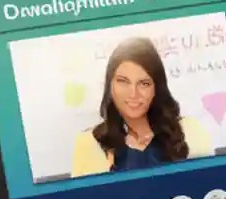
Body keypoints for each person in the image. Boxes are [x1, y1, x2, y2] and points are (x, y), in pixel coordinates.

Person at [70, 36, 212, 177]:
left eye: (144, 83)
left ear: (156, 88)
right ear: (110, 85)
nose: (133, 94)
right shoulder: (88, 144)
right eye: (123, 81)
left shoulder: (191, 132)